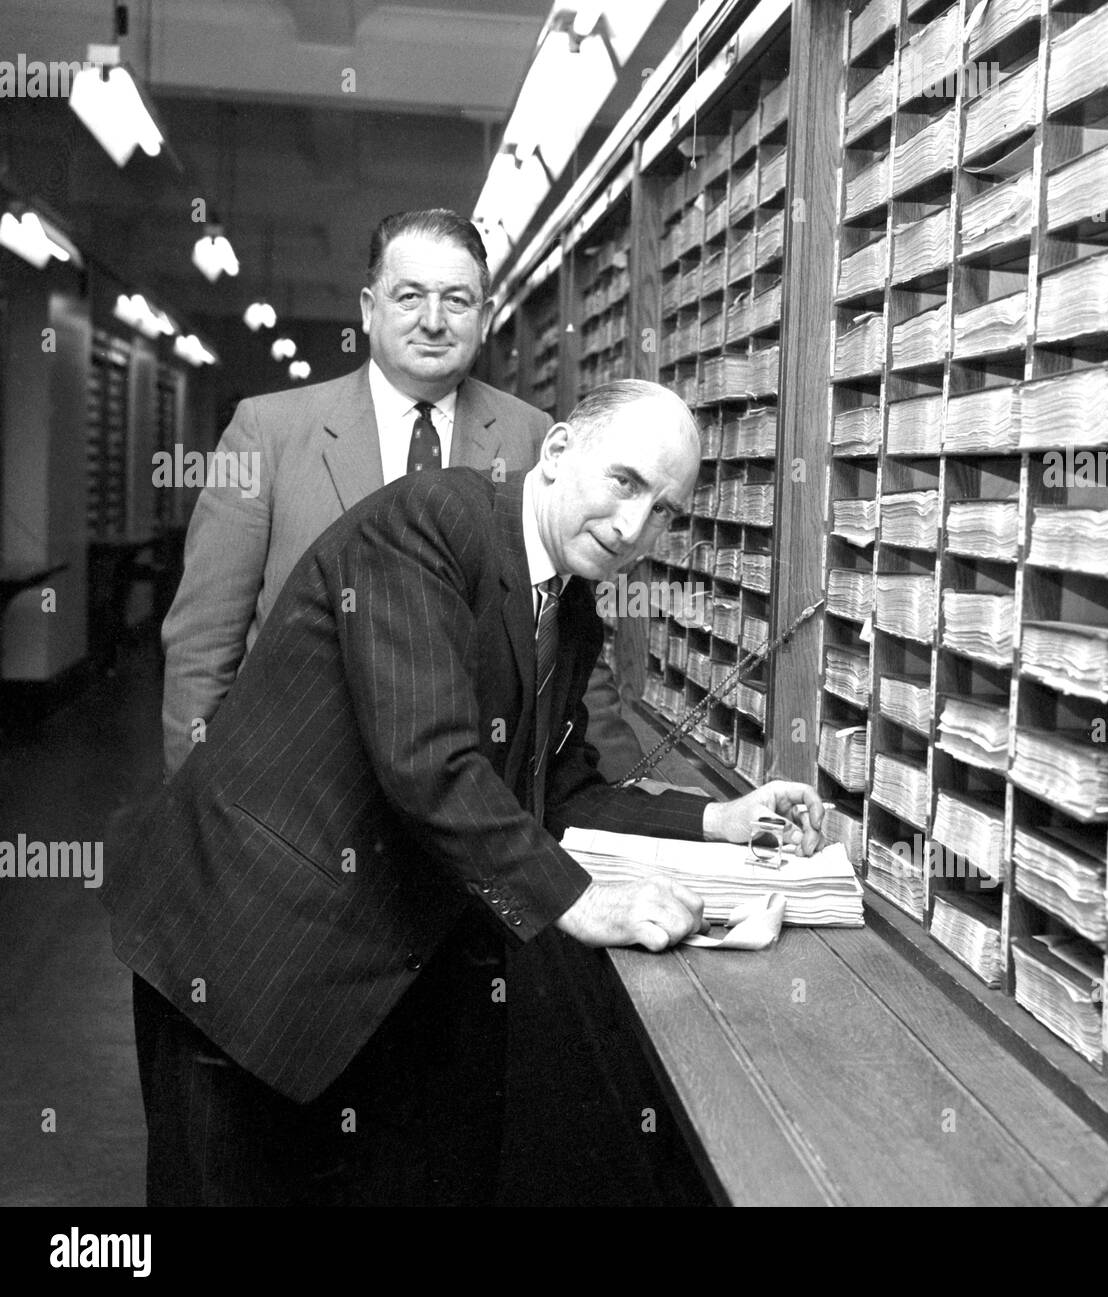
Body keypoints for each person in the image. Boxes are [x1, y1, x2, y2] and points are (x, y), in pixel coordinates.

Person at [103, 380, 824, 1206]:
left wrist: (716, 817)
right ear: (557, 453)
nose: (634, 528)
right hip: (240, 952)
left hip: (361, 973)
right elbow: (426, 761)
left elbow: (553, 785)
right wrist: (582, 904)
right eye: (624, 483)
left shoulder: (572, 607)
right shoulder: (434, 523)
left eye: (664, 510)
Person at [160, 206, 642, 782]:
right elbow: (201, 647)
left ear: (485, 317)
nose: (433, 321)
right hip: (298, 805)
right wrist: (198, 817)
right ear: (369, 310)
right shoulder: (268, 432)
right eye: (409, 296)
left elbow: (569, 647)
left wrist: (636, 801)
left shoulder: (532, 438)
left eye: (457, 301)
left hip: (471, 813)